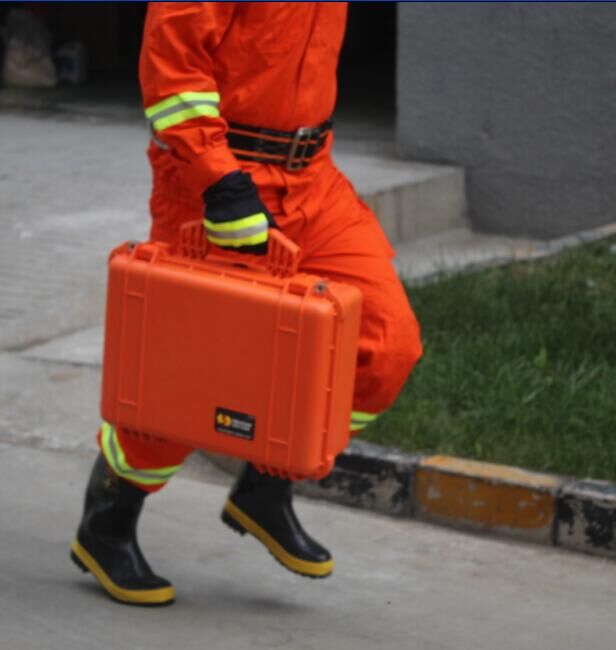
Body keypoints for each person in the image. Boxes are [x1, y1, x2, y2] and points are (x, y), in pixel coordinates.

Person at [70, 2, 423, 606]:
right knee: (190, 378)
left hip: (312, 179)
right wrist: (221, 182)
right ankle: (108, 519)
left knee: (387, 345)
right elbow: (173, 66)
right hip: (214, 181)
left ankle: (267, 485)